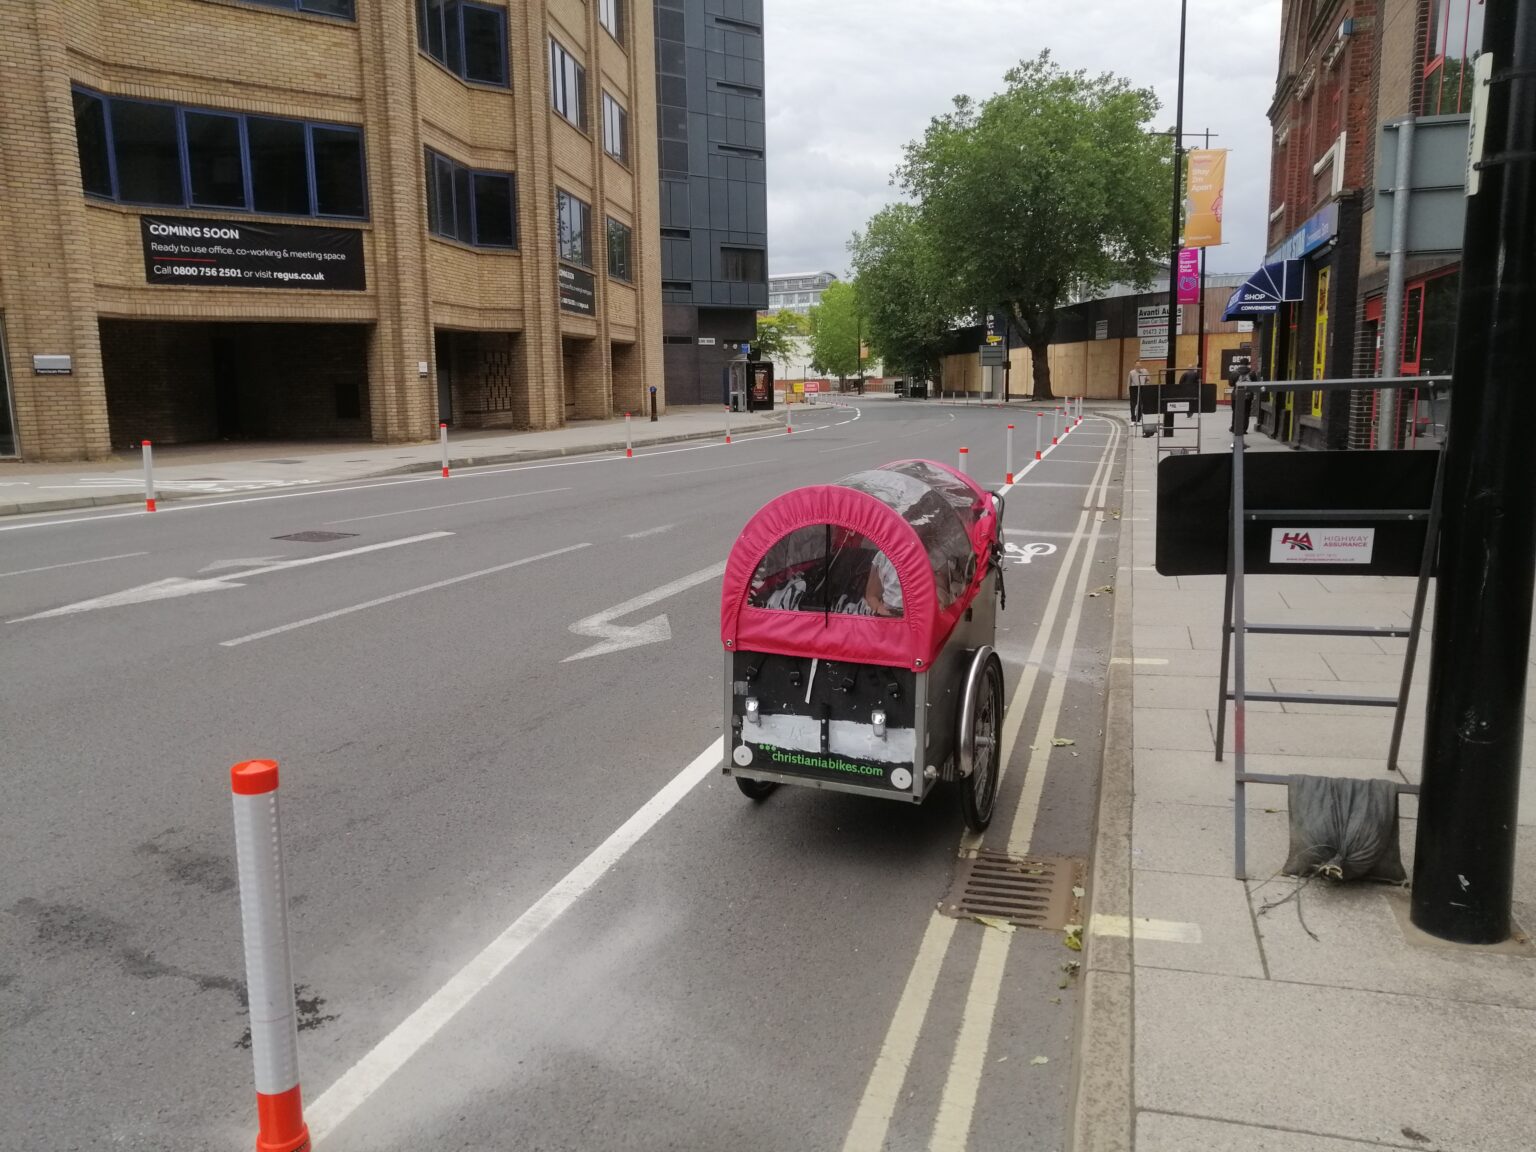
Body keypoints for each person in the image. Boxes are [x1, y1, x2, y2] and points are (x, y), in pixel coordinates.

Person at [863, 550, 904, 617]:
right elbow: (871, 596)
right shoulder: (884, 555)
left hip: (920, 619)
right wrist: (879, 608)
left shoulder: (925, 556)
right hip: (889, 618)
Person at [1229, 361, 1255, 435]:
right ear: (1248, 364)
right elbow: (1255, 384)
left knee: (1235, 412)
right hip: (1248, 396)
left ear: (1240, 363)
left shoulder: (1234, 373)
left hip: (1236, 396)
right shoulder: (1252, 373)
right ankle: (1244, 429)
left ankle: (1234, 428)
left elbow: (1230, 384)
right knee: (1246, 412)